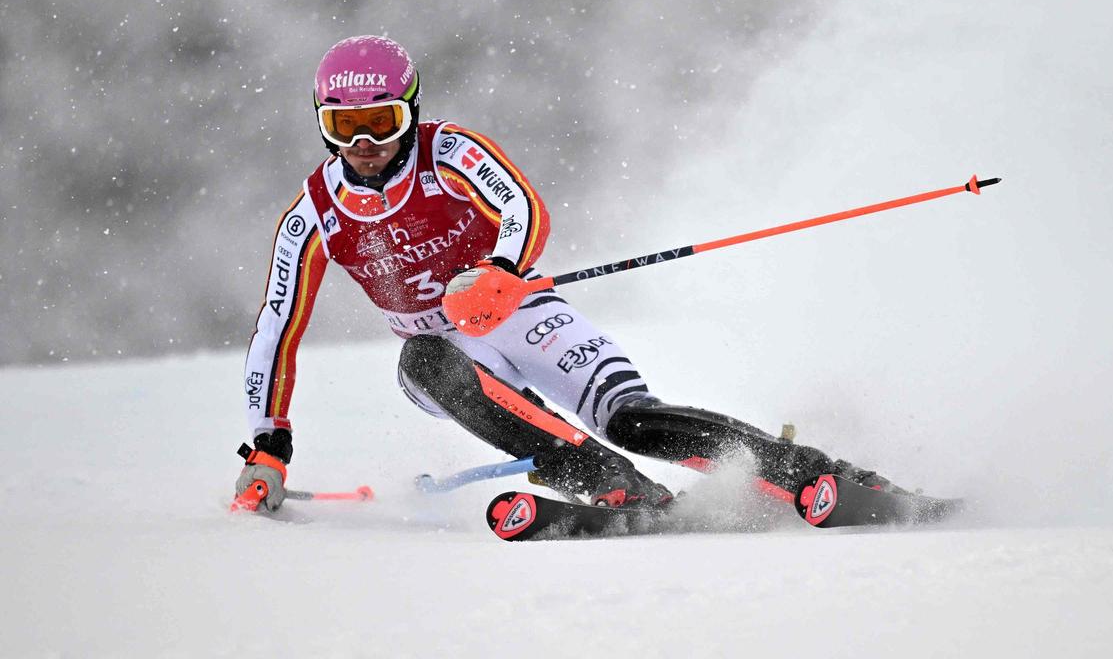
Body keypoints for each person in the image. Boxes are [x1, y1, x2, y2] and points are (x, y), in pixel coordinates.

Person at [236, 35, 898, 512]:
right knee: (423, 359)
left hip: (517, 312)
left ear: (409, 110)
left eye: (381, 122)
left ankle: (808, 475)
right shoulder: (314, 214)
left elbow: (520, 205)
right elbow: (277, 327)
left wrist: (501, 267)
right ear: (323, 126)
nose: (365, 143)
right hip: (451, 355)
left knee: (634, 419)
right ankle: (600, 477)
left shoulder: (448, 151)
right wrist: (268, 445)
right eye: (344, 126)